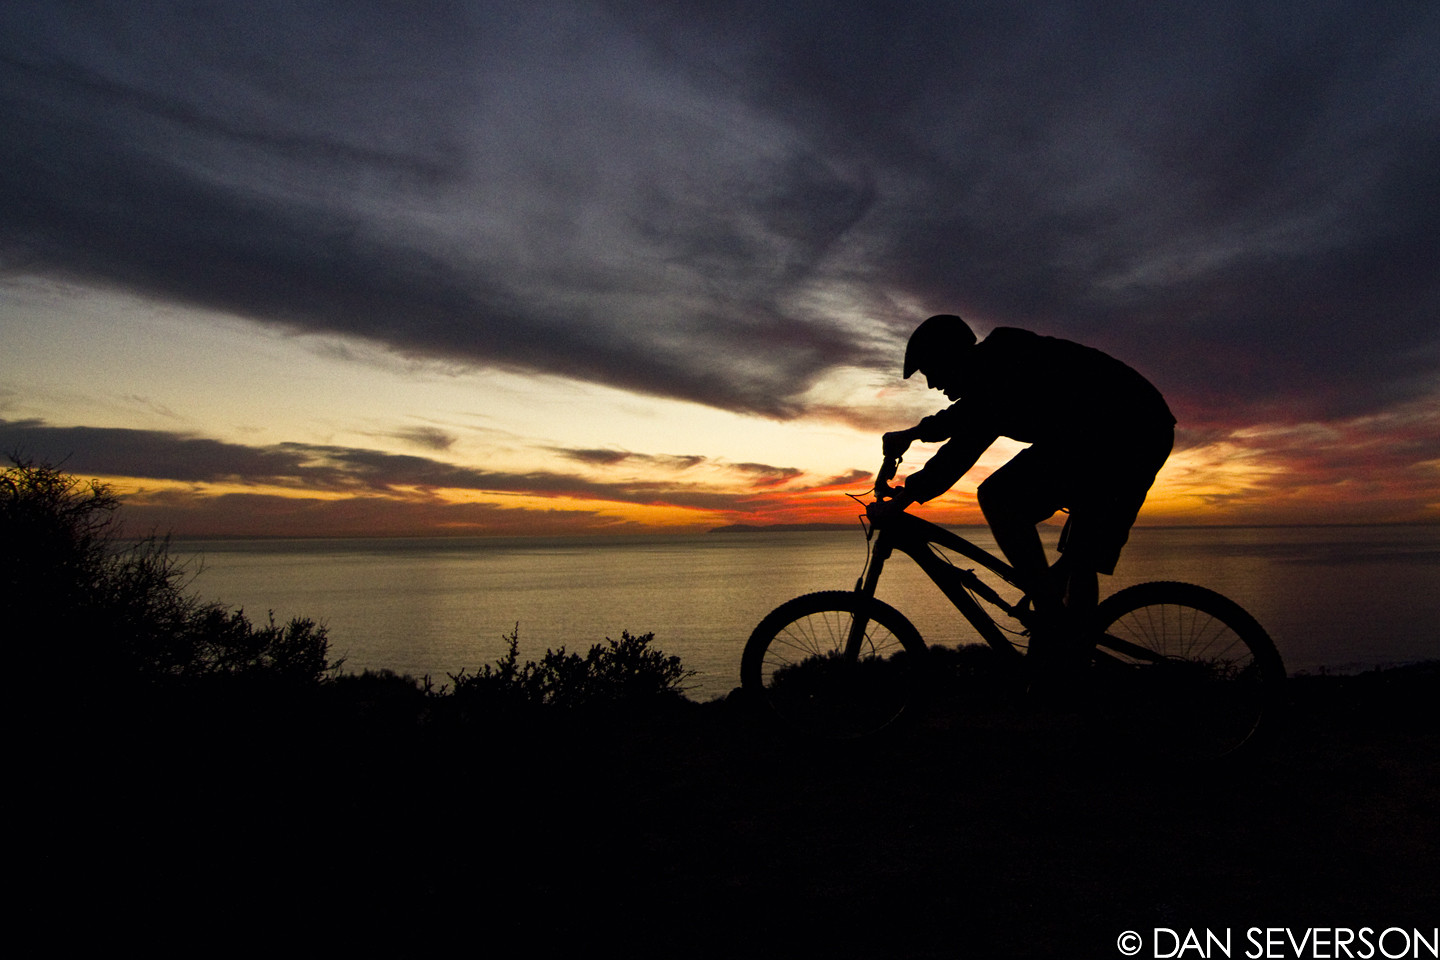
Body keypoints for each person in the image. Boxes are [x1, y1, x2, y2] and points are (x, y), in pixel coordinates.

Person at [879, 314, 1175, 650]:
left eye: (930, 370)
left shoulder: (1001, 365)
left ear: (950, 355)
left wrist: (907, 495)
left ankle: (1054, 623)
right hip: (1121, 430)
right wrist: (913, 435)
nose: (932, 384)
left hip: (1124, 431)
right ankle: (1070, 658)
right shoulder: (993, 368)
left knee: (999, 497)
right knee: (1078, 559)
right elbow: (964, 418)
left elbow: (964, 443)